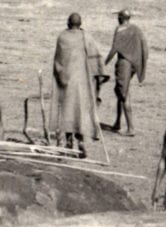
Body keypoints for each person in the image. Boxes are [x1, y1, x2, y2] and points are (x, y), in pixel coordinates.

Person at [52, 13, 101, 157]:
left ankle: (68, 140)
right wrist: (97, 77)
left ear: (68, 23)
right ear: (80, 24)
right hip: (83, 83)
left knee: (68, 111)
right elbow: (95, 59)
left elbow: (58, 61)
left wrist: (61, 76)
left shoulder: (62, 37)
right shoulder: (86, 37)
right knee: (81, 112)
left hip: (67, 82)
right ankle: (81, 142)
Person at [103, 9, 148, 136]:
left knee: (124, 94)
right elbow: (144, 49)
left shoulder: (120, 29)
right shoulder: (137, 29)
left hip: (124, 64)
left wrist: (104, 63)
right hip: (133, 64)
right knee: (119, 91)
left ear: (121, 18)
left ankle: (131, 128)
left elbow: (114, 49)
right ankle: (117, 122)